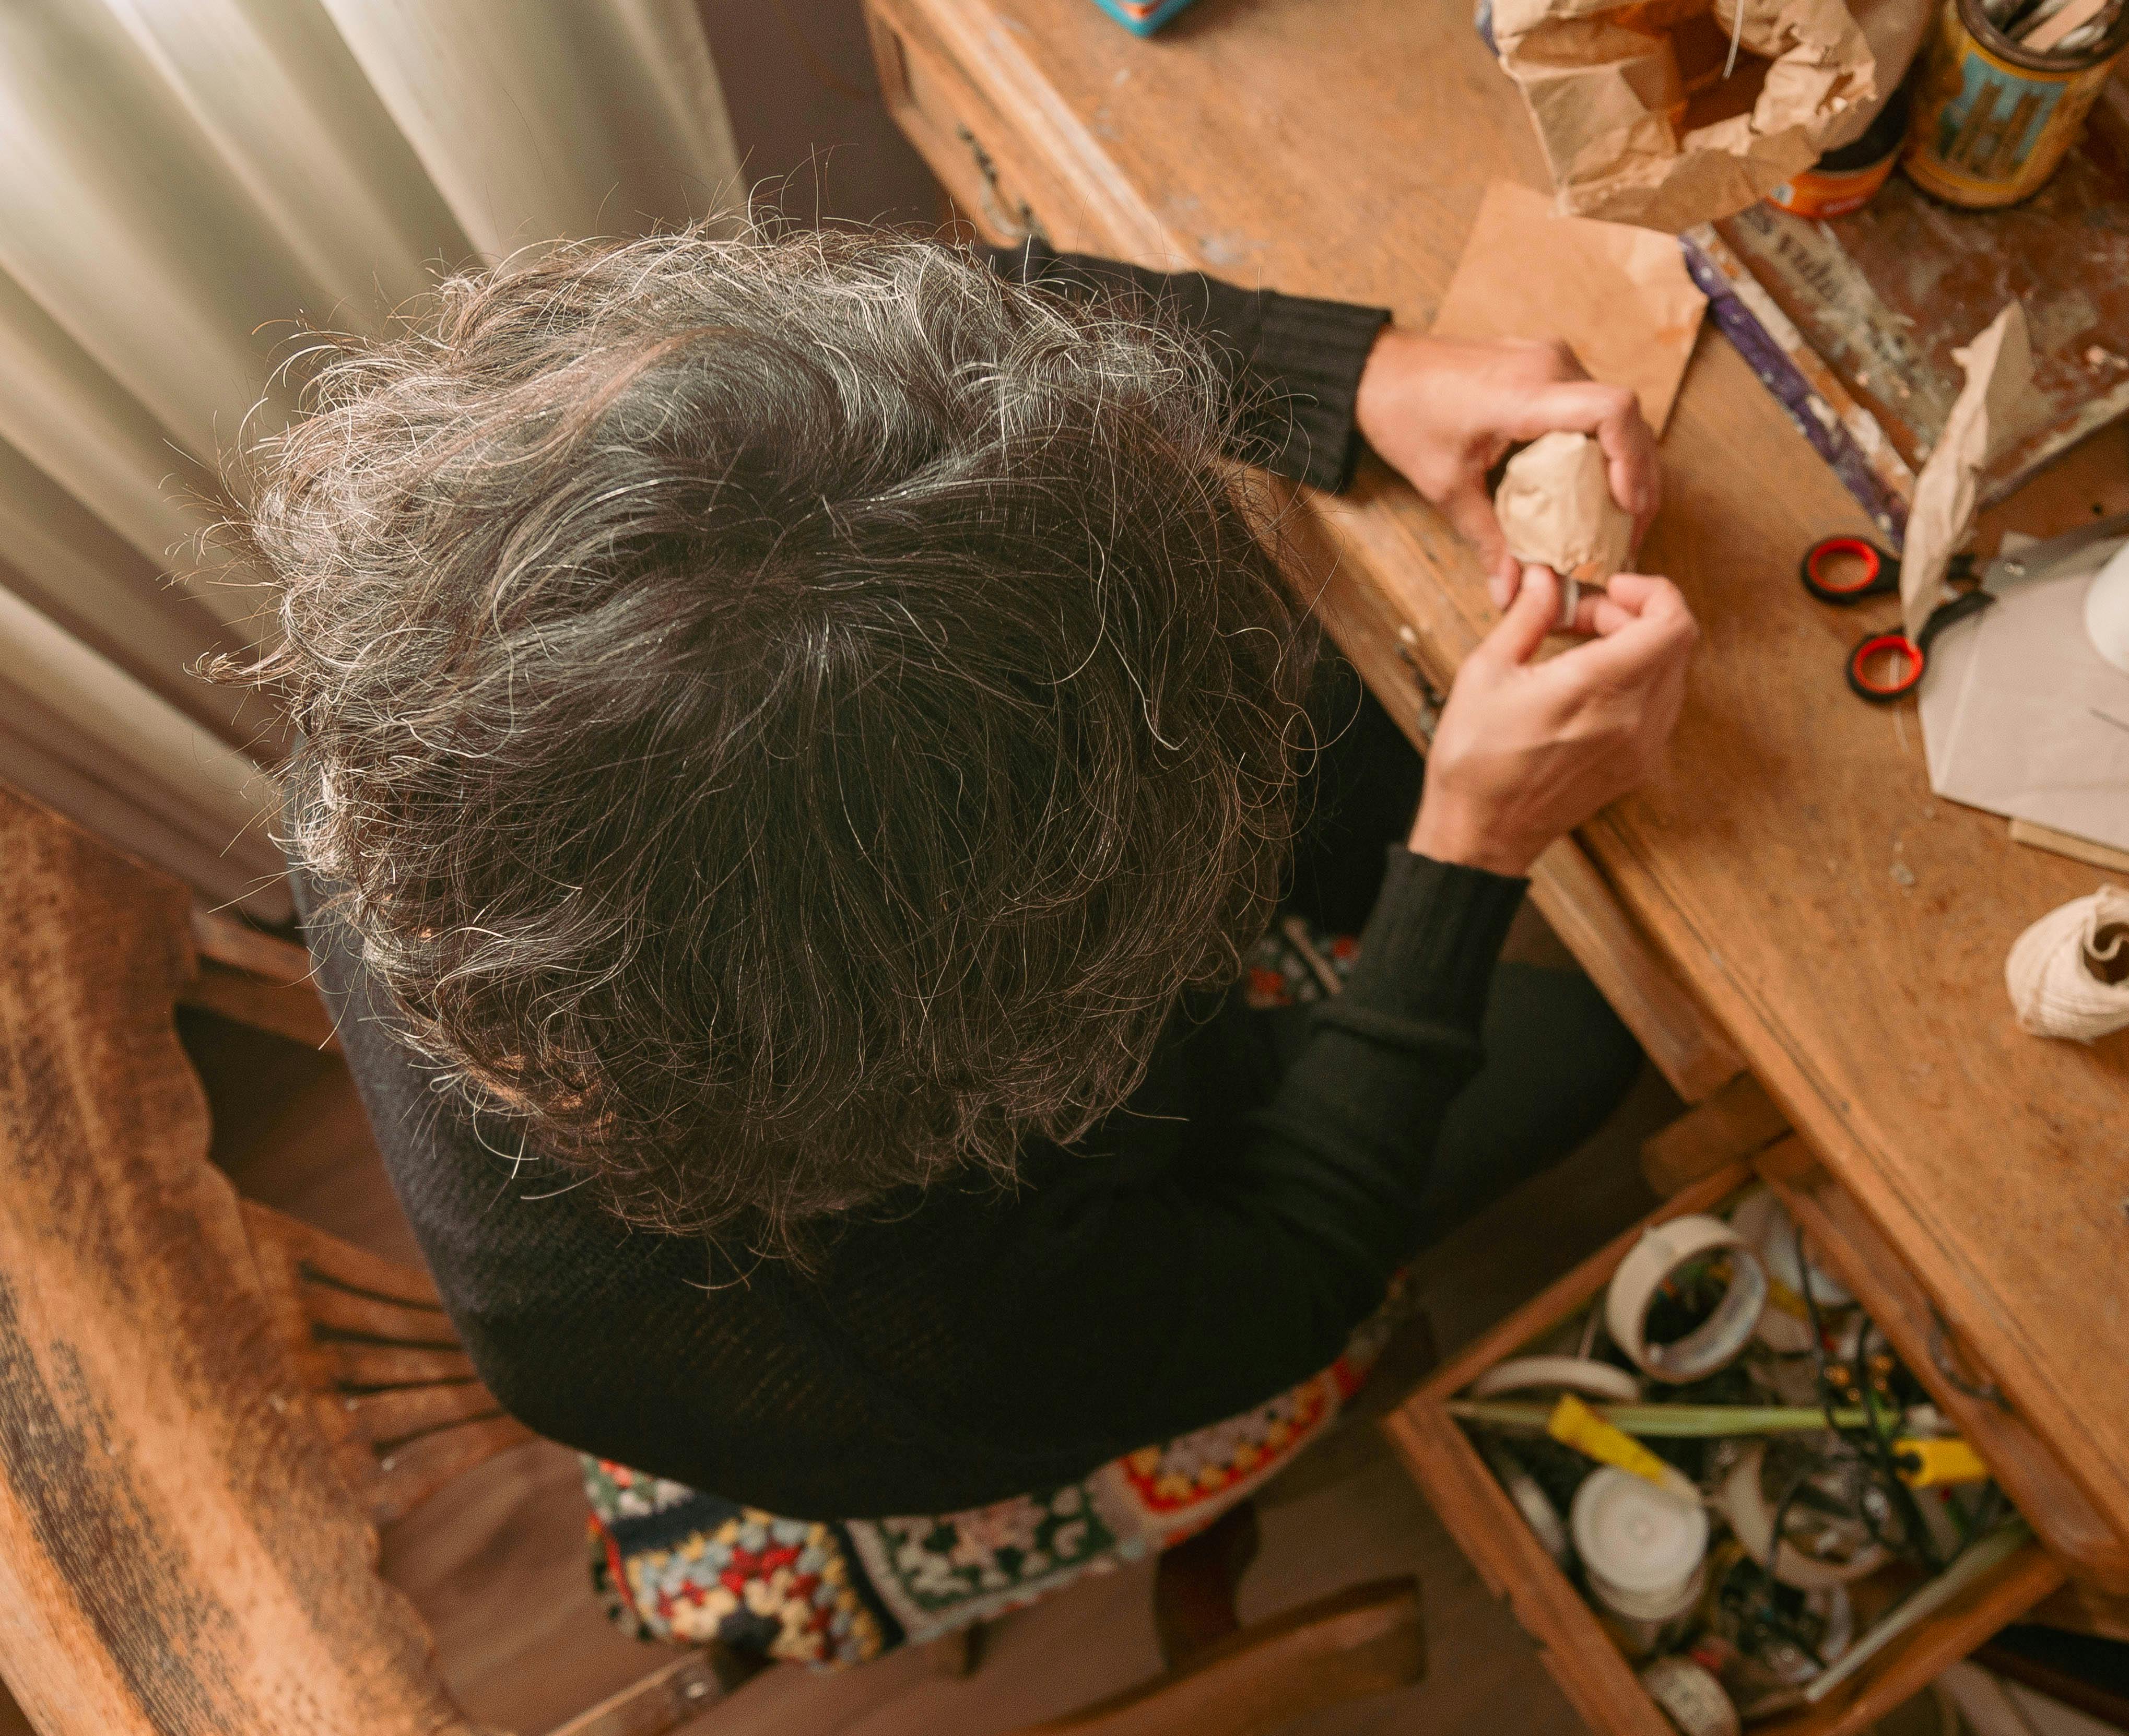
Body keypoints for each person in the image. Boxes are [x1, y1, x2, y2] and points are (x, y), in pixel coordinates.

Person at [232, 226, 1697, 1658]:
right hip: (1020, 1306)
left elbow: (905, 343)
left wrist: (1347, 376)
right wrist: (1470, 852)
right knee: (1583, 1049)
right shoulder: (912, 1331)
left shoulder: (425, 663)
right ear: (1043, 1014)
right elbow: (1294, 1266)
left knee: (1368, 745)